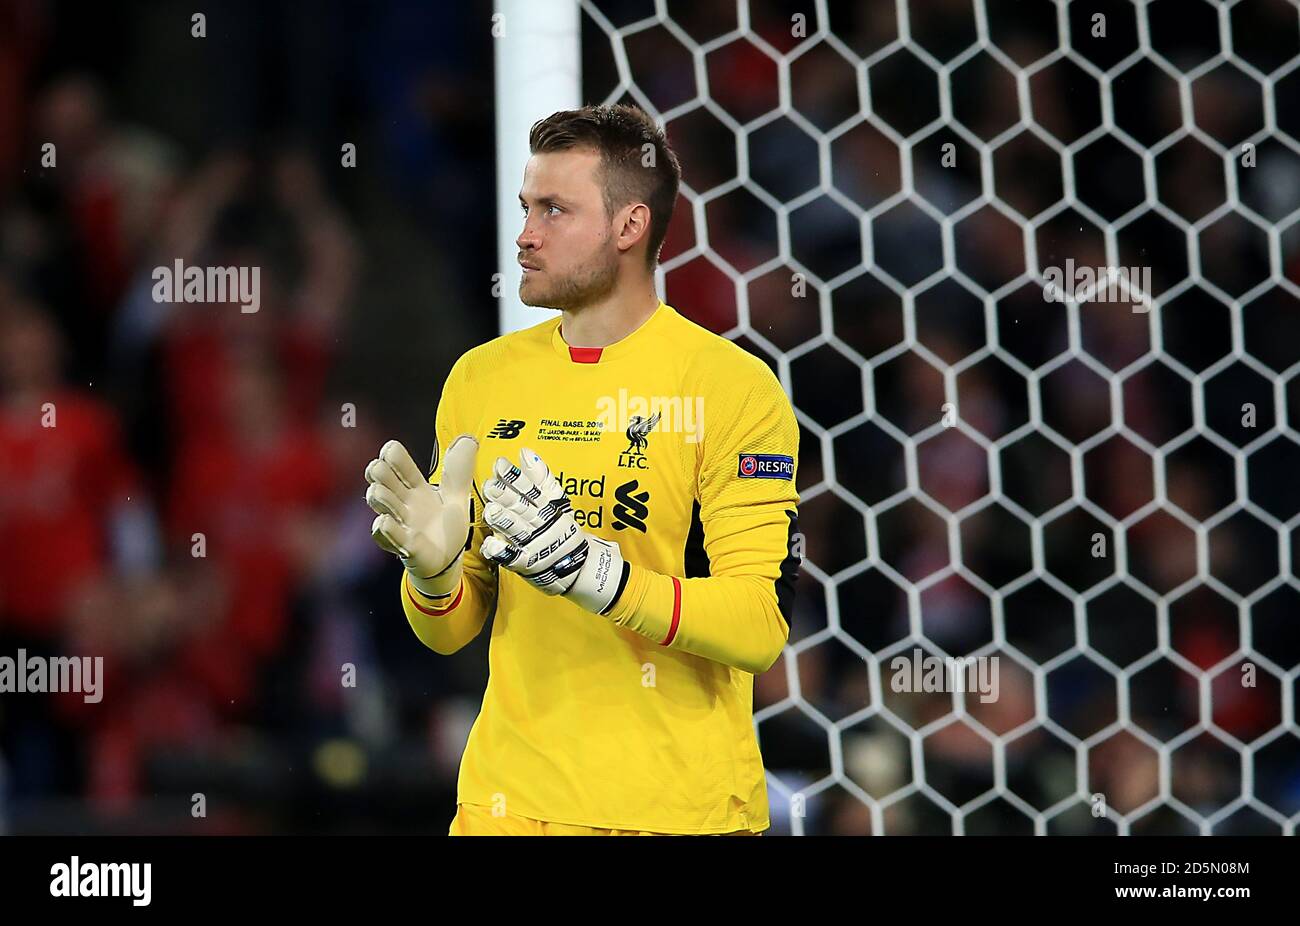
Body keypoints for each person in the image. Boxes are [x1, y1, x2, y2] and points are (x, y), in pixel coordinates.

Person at [364, 104, 800, 836]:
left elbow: (759, 626)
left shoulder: (731, 387)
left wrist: (606, 581)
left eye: (554, 211)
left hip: (679, 813)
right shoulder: (481, 379)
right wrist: (433, 577)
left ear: (629, 227)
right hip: (506, 807)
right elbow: (450, 632)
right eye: (526, 208)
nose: (525, 235)